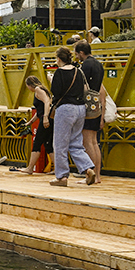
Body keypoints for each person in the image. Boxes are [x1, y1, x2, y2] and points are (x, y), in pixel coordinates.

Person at [48, 47, 97, 187]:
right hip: (80, 108)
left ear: (59, 59)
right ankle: (88, 168)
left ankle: (62, 176)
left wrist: (51, 80)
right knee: (75, 143)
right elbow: (85, 90)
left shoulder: (58, 73)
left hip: (65, 109)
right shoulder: (78, 71)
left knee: (60, 144)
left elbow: (56, 92)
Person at [74, 42, 105, 184]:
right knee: (94, 141)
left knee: (88, 142)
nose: (76, 57)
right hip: (96, 104)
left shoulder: (86, 65)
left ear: (81, 53)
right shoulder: (99, 64)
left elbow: (82, 85)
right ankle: (97, 175)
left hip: (87, 105)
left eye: (77, 54)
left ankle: (90, 175)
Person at [18, 76, 53, 175]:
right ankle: (59, 169)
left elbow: (47, 102)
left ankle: (30, 168)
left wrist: (45, 117)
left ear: (30, 85)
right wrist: (29, 122)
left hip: (46, 119)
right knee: (48, 144)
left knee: (37, 142)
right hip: (48, 118)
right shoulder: (42, 89)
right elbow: (39, 112)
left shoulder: (38, 90)